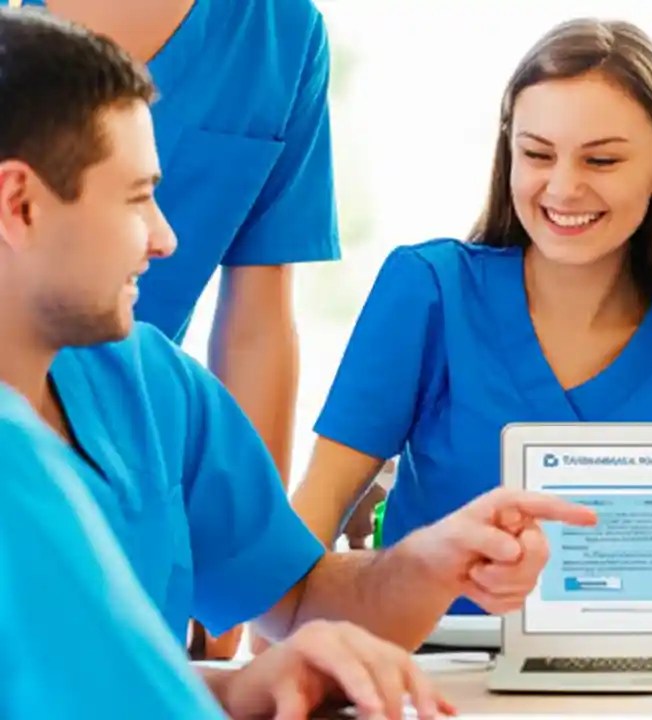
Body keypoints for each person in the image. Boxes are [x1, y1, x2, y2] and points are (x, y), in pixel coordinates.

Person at [0, 5, 595, 678]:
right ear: (20, 205)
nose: (168, 240)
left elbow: (298, 597)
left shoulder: (154, 390)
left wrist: (433, 562)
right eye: (137, 198)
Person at [291, 18, 652, 616]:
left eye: (601, 161)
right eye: (538, 154)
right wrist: (275, 648)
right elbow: (318, 505)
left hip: (634, 692)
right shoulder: (431, 293)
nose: (564, 187)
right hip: (422, 675)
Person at [23, 0, 340, 658]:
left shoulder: (279, 33)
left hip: (142, 438)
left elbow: (258, 321)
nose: (162, 236)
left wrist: (234, 593)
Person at [0, 383, 452, 720]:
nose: (167, 249)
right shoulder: (17, 447)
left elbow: (93, 683)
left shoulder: (151, 384)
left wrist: (232, 688)